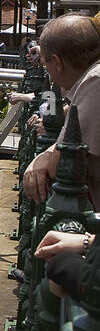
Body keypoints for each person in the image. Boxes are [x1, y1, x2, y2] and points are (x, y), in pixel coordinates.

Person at [21, 15, 100, 206]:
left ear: (57, 63)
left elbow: (61, 162)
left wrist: (43, 158)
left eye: (46, 64)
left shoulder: (94, 83)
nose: (49, 75)